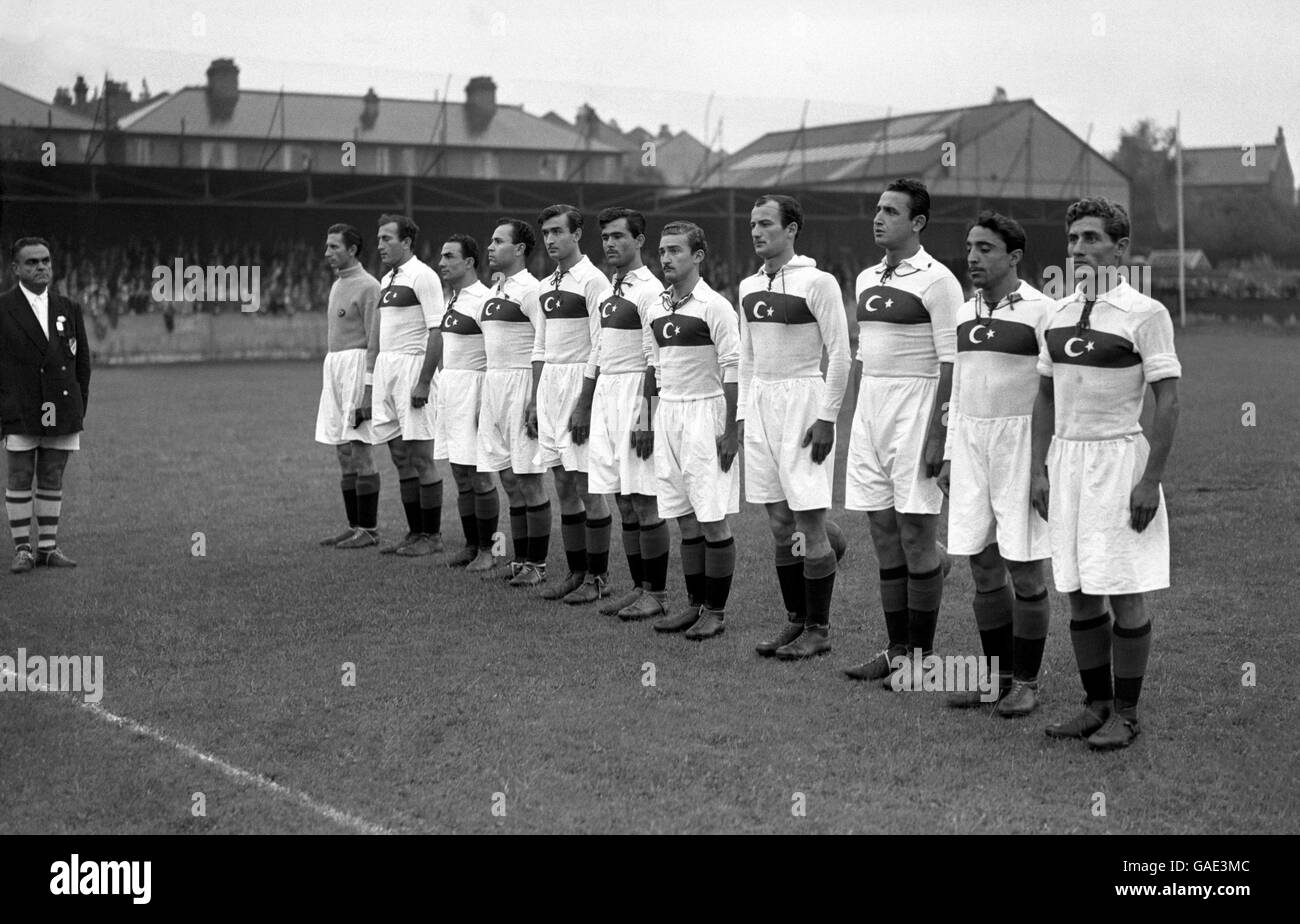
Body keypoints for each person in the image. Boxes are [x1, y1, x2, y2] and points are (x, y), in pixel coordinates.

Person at [1031, 197, 1180, 750]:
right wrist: (1038, 469)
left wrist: (1150, 480)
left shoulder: (1146, 313)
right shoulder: (1057, 311)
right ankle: (1094, 706)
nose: (1079, 249)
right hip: (1066, 463)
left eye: (1092, 239)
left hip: (1119, 462)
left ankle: (1128, 712)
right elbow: (1044, 395)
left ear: (1120, 248)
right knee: (1079, 588)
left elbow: (1168, 402)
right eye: (1073, 240)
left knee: (1122, 587)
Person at [841, 179, 962, 687]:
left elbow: (952, 363)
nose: (878, 217)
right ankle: (895, 650)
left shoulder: (938, 281)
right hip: (872, 410)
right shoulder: (867, 278)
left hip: (918, 409)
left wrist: (940, 435)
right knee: (882, 533)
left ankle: (923, 658)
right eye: (877, 209)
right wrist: (850, 417)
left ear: (918, 223)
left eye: (891, 211)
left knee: (915, 533)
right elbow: (863, 356)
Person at [937, 212, 1052, 714]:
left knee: (1024, 568)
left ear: (1014, 257)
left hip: (1020, 446)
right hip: (970, 447)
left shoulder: (1043, 313)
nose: (973, 257)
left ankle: (1027, 682)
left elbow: (1054, 395)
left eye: (985, 248)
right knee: (983, 565)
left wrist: (1041, 466)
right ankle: (997, 679)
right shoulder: (964, 314)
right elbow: (958, 391)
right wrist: (946, 455)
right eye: (970, 247)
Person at [739, 196, 851, 660]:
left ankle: (819, 630)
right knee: (780, 521)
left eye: (766, 223)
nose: (757, 231)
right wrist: (745, 414)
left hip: (804, 400)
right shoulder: (747, 285)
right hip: (762, 401)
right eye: (752, 224)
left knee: (806, 518)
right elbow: (746, 357)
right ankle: (796, 621)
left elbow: (841, 354)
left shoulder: (818, 282)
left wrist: (826, 417)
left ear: (792, 229)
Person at [640, 221, 740, 641]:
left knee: (712, 517)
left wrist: (732, 432)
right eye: (662, 251)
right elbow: (653, 367)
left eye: (676, 251)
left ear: (698, 256)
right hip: (669, 414)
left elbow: (734, 369)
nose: (666, 258)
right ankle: (694, 605)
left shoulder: (715, 306)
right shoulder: (655, 306)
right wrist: (647, 418)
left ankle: (715, 612)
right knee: (683, 516)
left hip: (705, 413)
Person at [570, 208, 671, 619]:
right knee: (623, 499)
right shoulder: (611, 289)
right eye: (606, 237)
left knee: (644, 498)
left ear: (640, 240)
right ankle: (637, 586)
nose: (609, 244)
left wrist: (645, 417)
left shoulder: (650, 291)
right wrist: (584, 401)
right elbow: (597, 350)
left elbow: (655, 361)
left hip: (636, 395)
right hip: (608, 395)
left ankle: (658, 594)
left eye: (618, 237)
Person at [526, 205, 613, 603]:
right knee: (562, 482)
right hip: (551, 388)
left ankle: (599, 577)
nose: (550, 239)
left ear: (577, 234)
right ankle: (577, 572)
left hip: (580, 384)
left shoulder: (594, 282)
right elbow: (540, 346)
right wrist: (534, 399)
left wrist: (585, 403)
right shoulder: (545, 285)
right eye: (545, 232)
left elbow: (601, 344)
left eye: (558, 231)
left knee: (587, 484)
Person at [1, 237, 91, 572]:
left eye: (46, 260)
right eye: (32, 262)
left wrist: (79, 407)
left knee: (53, 473)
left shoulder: (68, 307)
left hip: (61, 405)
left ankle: (48, 549)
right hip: (21, 407)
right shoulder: (4, 307)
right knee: (21, 474)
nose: (41, 267)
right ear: (16, 269)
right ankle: (23, 549)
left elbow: (82, 362)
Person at [362, 214, 445, 557]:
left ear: (406, 242)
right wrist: (371, 384)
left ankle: (433, 535)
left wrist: (424, 381)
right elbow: (379, 337)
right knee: (399, 455)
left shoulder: (423, 276)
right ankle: (415, 532)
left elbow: (436, 332)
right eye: (378, 239)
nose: (380, 245)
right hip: (388, 372)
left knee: (422, 456)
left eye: (386, 239)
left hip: (413, 370)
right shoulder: (386, 280)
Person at [478, 219, 551, 586]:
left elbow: (544, 347)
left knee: (529, 478)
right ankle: (519, 559)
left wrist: (535, 399)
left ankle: (537, 565)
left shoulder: (533, 291)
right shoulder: (495, 289)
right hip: (495, 387)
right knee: (508, 478)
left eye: (497, 241)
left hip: (522, 385)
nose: (489, 247)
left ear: (519, 249)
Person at [434, 234, 501, 572]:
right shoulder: (453, 298)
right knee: (460, 472)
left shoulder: (484, 300)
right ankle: (472, 545)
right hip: (451, 390)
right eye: (442, 257)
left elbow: (494, 354)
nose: (442, 262)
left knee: (481, 476)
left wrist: (484, 402)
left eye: (449, 256)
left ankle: (494, 551)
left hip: (474, 389)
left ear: (470, 262)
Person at [315, 223, 382, 550]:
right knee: (343, 450)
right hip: (335, 368)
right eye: (327, 247)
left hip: (357, 369)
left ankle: (369, 529)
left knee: (360, 446)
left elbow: (374, 340)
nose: (327, 253)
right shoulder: (338, 284)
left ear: (352, 250)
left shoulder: (369, 286)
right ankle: (354, 524)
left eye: (333, 247)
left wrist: (368, 387)